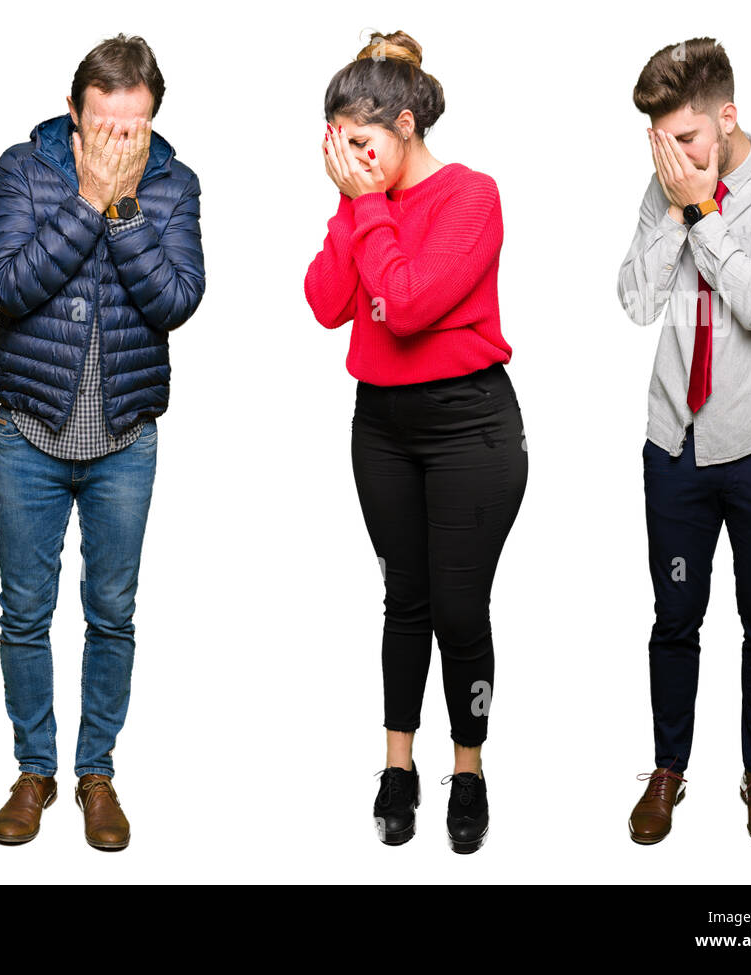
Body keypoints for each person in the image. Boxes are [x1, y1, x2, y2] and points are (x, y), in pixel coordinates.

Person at [305, 30, 527, 853]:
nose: (352, 161)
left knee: (461, 612)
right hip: (384, 426)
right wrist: (354, 202)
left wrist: (368, 212)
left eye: (363, 145)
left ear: (405, 124)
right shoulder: (368, 203)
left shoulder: (472, 195)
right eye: (339, 149)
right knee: (406, 600)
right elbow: (328, 302)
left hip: (470, 424)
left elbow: (404, 304)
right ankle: (398, 767)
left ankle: (467, 770)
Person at [0, 33, 205, 851]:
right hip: (30, 432)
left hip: (124, 441)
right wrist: (85, 198)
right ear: (75, 115)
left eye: (136, 129)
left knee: (112, 613)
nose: (121, 145)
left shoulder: (174, 186)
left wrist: (121, 206)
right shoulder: (24, 168)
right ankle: (34, 769)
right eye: (106, 126)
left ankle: (96, 772)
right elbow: (8, 282)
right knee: (24, 613)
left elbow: (177, 299)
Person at [617, 37, 751, 847]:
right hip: (675, 444)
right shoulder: (665, 185)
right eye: (661, 143)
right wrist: (675, 209)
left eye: (688, 139)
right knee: (675, 616)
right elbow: (636, 301)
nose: (674, 157)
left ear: (728, 116)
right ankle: (668, 768)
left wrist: (704, 212)